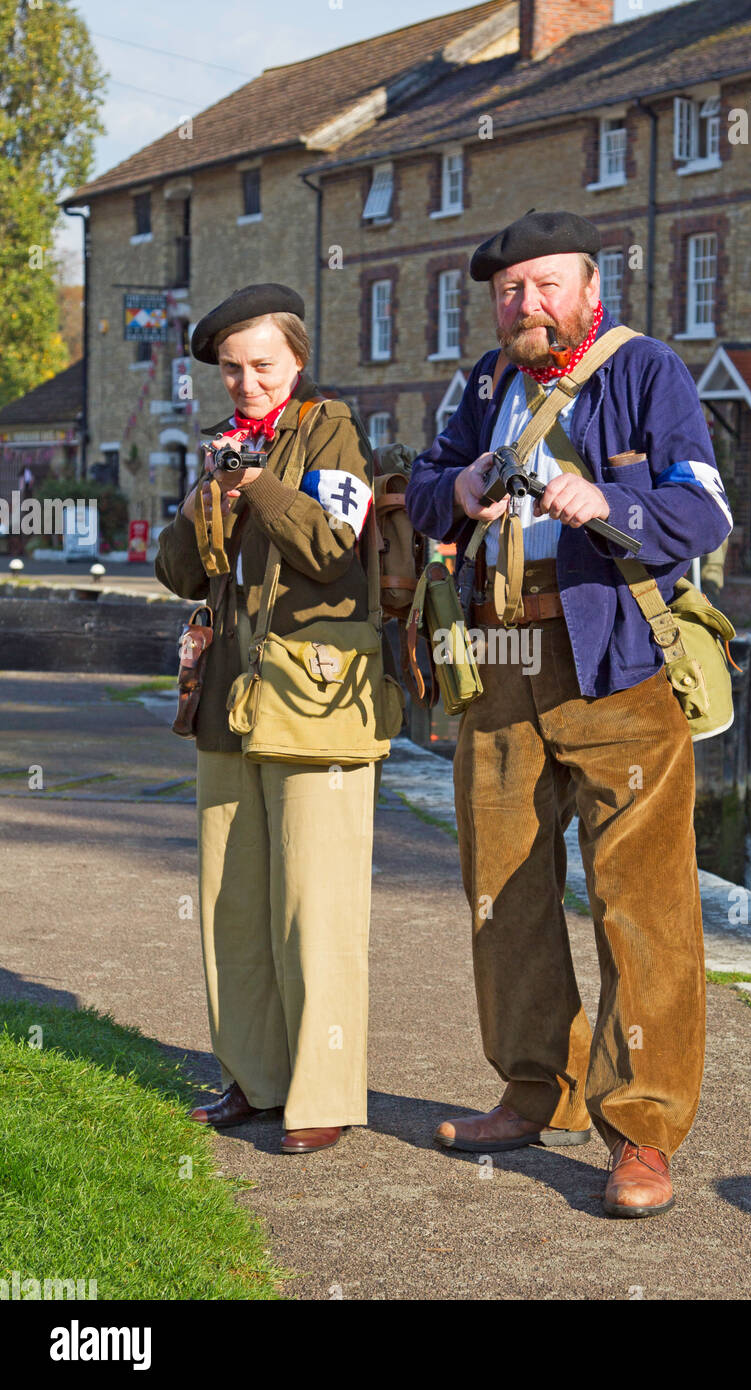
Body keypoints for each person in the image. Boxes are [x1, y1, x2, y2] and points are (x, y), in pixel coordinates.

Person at [405, 210, 732, 1218]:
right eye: (509, 291)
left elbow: (707, 509)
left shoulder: (649, 372)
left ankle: (641, 1131)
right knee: (503, 892)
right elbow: (417, 495)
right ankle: (533, 1086)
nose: (525, 304)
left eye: (544, 284)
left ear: (592, 285)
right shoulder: (482, 384)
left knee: (644, 903)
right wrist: (459, 486)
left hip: (618, 663)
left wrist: (608, 507)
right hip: (499, 659)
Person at [155, 283, 378, 1154]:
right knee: (231, 903)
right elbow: (179, 572)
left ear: (296, 362)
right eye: (231, 370)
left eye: (263, 367)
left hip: (317, 695)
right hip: (226, 699)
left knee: (313, 906)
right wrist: (205, 495)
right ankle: (256, 1077)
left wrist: (259, 485)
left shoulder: (330, 431)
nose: (247, 384)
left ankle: (321, 1092)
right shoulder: (223, 447)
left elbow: (329, 547)